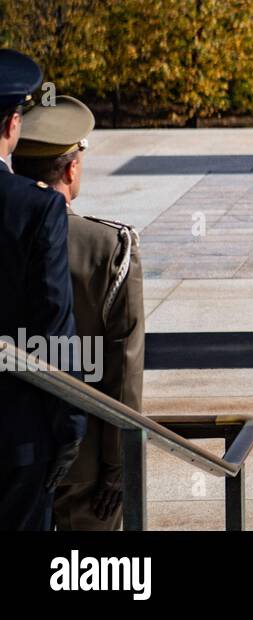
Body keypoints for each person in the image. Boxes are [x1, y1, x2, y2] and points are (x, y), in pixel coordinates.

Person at [13, 94, 144, 531]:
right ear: (72, 168)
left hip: (16, 445)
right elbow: (123, 369)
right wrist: (117, 467)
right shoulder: (110, 247)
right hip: (87, 461)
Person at [0, 50, 85, 531]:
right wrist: (70, 425)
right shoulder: (35, 209)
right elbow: (53, 328)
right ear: (13, 124)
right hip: (18, 436)